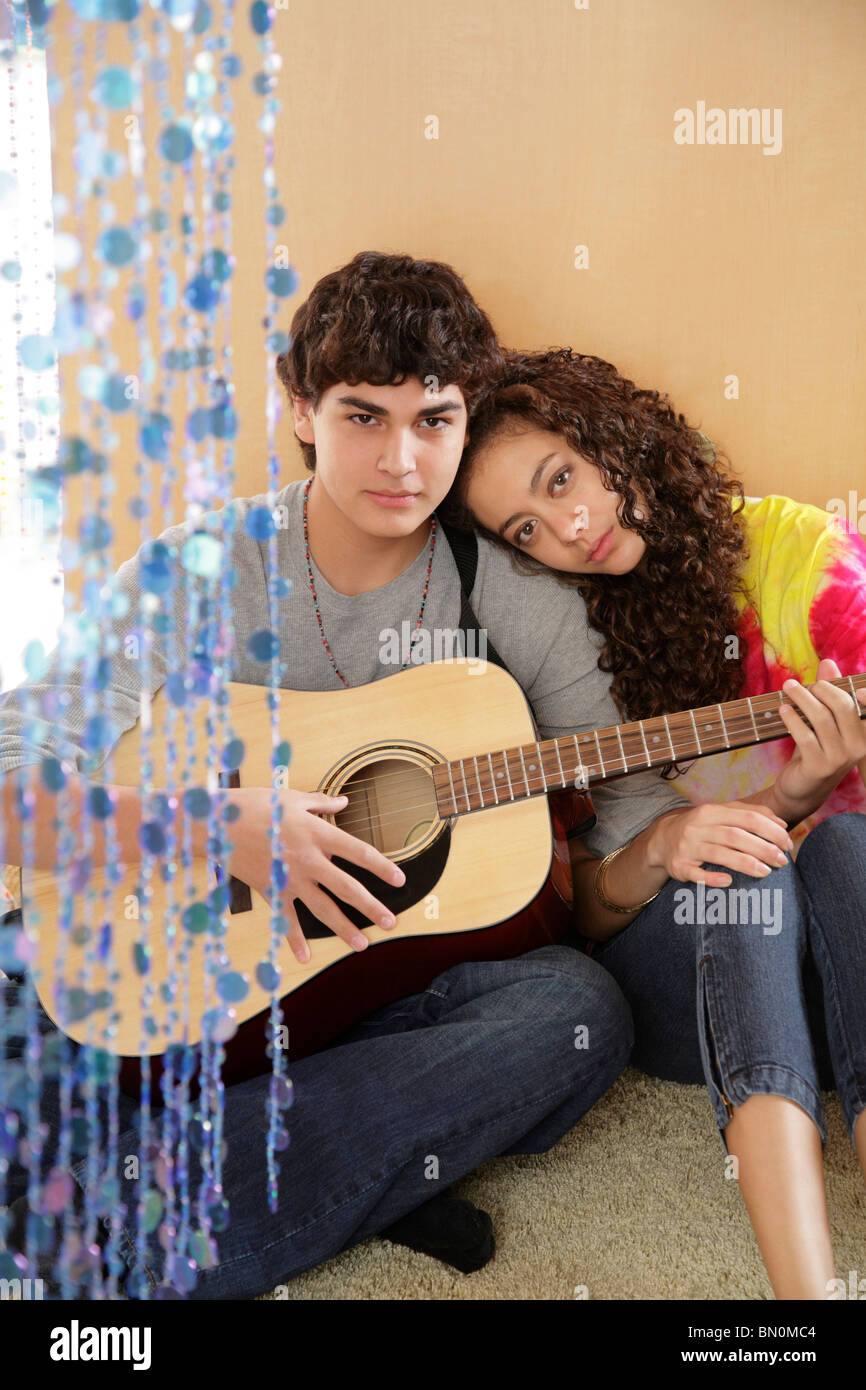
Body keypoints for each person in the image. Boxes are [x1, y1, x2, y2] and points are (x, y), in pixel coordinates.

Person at [0, 258, 692, 1300]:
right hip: (148, 955)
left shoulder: (514, 597)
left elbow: (628, 819)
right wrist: (204, 828)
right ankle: (318, 1171)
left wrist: (748, 812)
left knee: (567, 1013)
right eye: (363, 416)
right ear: (299, 407)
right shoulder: (201, 566)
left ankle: (124, 1231)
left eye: (434, 420)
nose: (401, 460)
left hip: (365, 994)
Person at [444, 345, 866, 1300]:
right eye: (527, 527)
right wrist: (663, 845)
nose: (568, 527)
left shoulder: (797, 556)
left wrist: (801, 796)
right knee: (738, 874)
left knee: (844, 842)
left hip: (842, 952)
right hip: (684, 971)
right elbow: (584, 914)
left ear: (613, 435)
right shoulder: (557, 634)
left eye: (563, 480)